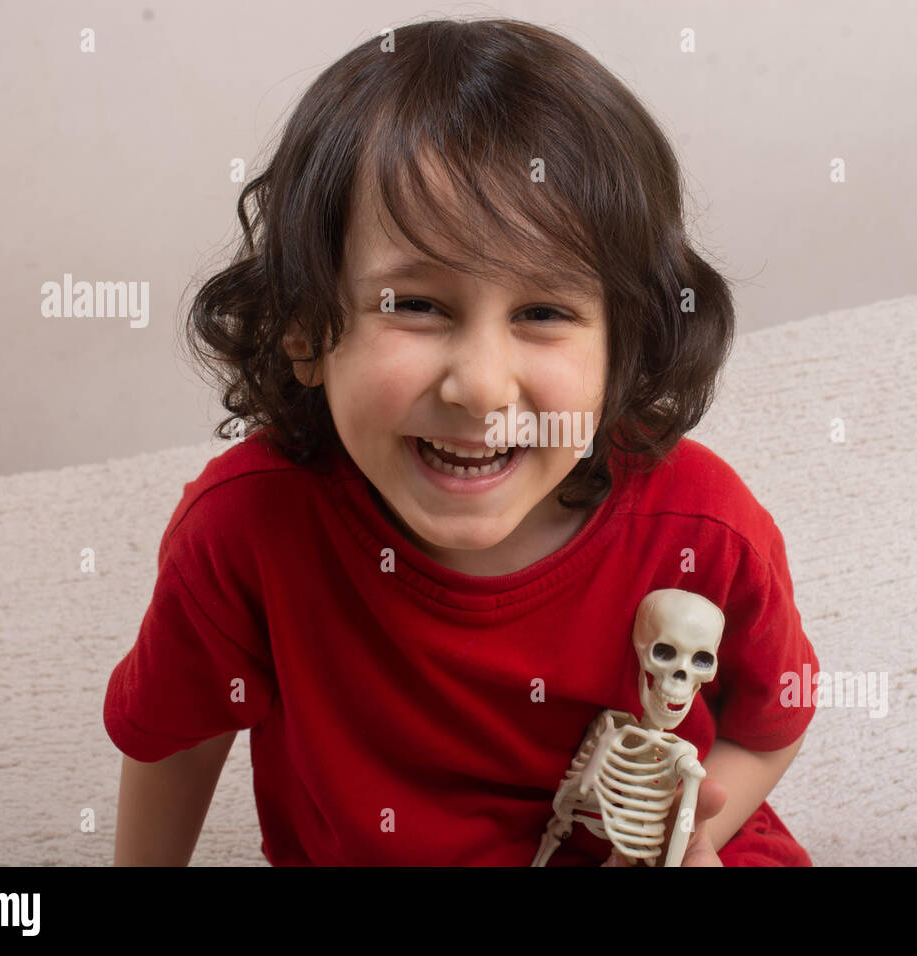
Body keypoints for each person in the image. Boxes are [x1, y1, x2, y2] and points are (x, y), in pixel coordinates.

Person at [104, 16, 819, 867]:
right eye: (415, 304)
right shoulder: (244, 531)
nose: (479, 386)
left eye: (543, 313)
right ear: (304, 330)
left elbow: (774, 717)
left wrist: (696, 835)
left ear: (624, 344)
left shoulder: (705, 529)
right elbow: (173, 734)